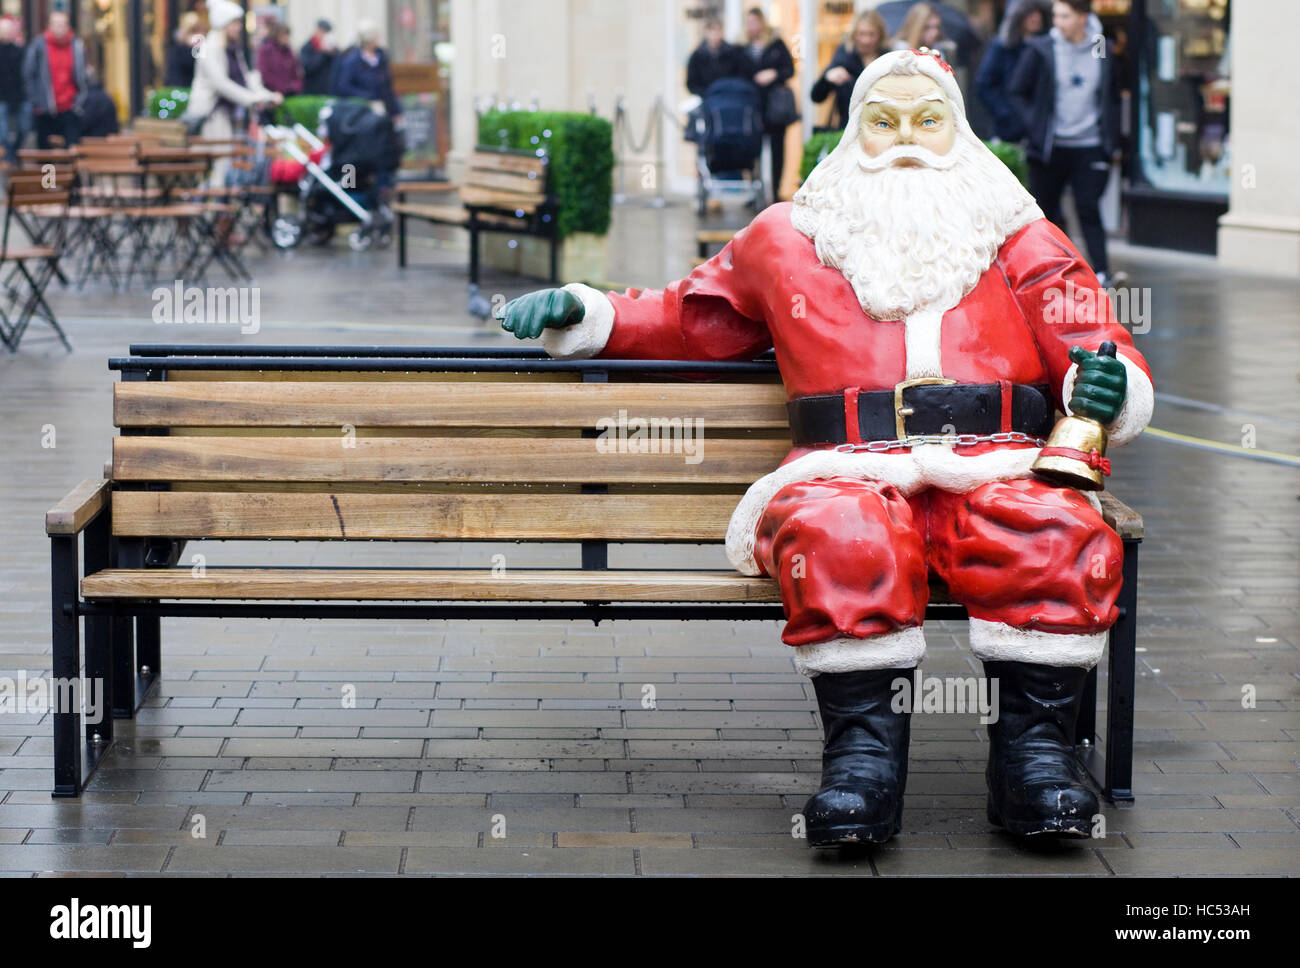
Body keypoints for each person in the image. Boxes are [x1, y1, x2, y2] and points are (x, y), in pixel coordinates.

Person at [497, 48, 1153, 848]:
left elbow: (1093, 335)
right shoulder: (787, 238)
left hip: (999, 459)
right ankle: (861, 766)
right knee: (841, 537)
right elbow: (686, 315)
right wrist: (590, 311)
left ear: (958, 131)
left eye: (928, 121)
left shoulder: (1020, 235)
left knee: (1053, 531)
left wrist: (1111, 388)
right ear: (853, 134)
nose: (907, 139)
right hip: (845, 465)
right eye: (884, 122)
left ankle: (1035, 761)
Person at [1008, 0, 1122, 286]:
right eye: (1055, 15)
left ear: (1083, 17)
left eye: (1064, 16)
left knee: (1088, 207)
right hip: (1050, 147)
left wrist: (1112, 142)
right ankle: (1047, 275)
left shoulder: (1101, 47)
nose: (1057, 22)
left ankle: (1103, 274)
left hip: (1090, 145)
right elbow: (1017, 91)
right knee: (1044, 212)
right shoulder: (1043, 47)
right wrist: (1035, 127)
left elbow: (1112, 95)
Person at [183, 0, 281, 184]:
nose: (238, 28)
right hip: (210, 116)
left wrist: (265, 95)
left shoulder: (232, 48)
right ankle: (213, 207)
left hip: (226, 115)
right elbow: (220, 83)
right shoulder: (209, 47)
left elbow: (246, 79)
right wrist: (253, 99)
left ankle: (219, 205)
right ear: (224, 24)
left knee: (226, 164)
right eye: (235, 23)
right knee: (218, 165)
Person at [740, 7, 795, 204]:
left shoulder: (776, 44)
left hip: (774, 107)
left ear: (762, 23)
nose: (751, 27)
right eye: (748, 23)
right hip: (752, 106)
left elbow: (789, 70)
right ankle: (755, 191)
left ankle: (775, 190)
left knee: (777, 150)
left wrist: (773, 74)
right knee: (751, 150)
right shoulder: (742, 48)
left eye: (755, 22)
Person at [976, 0, 1050, 143]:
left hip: (1042, 129)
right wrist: (1005, 114)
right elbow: (984, 84)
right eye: (1029, 13)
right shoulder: (1003, 47)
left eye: (1038, 12)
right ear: (1018, 17)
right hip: (1010, 129)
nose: (1035, 17)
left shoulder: (1049, 47)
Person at [809, 10, 888, 131]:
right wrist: (827, 79)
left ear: (880, 34)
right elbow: (816, 96)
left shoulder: (888, 58)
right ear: (854, 34)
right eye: (862, 34)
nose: (866, 40)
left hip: (883, 129)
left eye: (871, 34)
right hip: (848, 131)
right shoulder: (844, 55)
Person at [22, 10, 87, 149]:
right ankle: (49, 172)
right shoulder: (38, 46)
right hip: (44, 109)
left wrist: (79, 102)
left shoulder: (76, 46)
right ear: (49, 26)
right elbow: (28, 74)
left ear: (68, 26)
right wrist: (36, 102)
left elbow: (82, 76)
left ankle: (68, 172)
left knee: (71, 151)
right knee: (46, 156)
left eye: (62, 24)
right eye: (56, 24)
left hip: (70, 107)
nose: (59, 28)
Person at [333, 21, 401, 120]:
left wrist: (396, 111)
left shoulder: (382, 58)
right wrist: (366, 97)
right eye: (375, 36)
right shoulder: (353, 61)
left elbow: (388, 88)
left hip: (384, 110)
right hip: (362, 114)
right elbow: (344, 86)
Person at [685, 16, 746, 97]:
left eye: (719, 30)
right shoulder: (697, 56)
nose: (715, 34)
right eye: (712, 30)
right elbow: (692, 84)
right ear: (706, 32)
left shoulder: (733, 53)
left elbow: (741, 76)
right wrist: (707, 93)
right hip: (707, 98)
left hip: (730, 97)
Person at [0, 16, 27, 165]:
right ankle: (7, 157)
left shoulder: (19, 51)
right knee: (3, 132)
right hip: (1, 97)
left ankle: (14, 153)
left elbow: (24, 74)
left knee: (22, 129)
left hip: (17, 96)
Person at [892, 2, 957, 63]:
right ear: (915, 27)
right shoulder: (901, 51)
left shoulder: (941, 50)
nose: (934, 33)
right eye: (927, 27)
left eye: (937, 27)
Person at [255, 19, 302, 97]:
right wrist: (282, 88)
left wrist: (293, 87)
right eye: (283, 35)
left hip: (289, 93)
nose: (285, 38)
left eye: (287, 35)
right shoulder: (266, 50)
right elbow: (265, 74)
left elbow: (296, 73)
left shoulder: (289, 51)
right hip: (272, 94)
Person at [164, 11, 202, 88]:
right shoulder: (179, 48)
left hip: (194, 85)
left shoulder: (199, 43)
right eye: (193, 29)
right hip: (182, 86)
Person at [299, 18, 336, 96]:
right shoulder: (307, 47)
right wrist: (322, 53)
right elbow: (308, 67)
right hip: (312, 91)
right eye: (323, 31)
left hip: (327, 91)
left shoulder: (331, 48)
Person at [79, 69, 119, 138]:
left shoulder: (89, 98)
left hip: (92, 141)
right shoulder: (106, 96)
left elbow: (84, 123)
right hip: (107, 140)